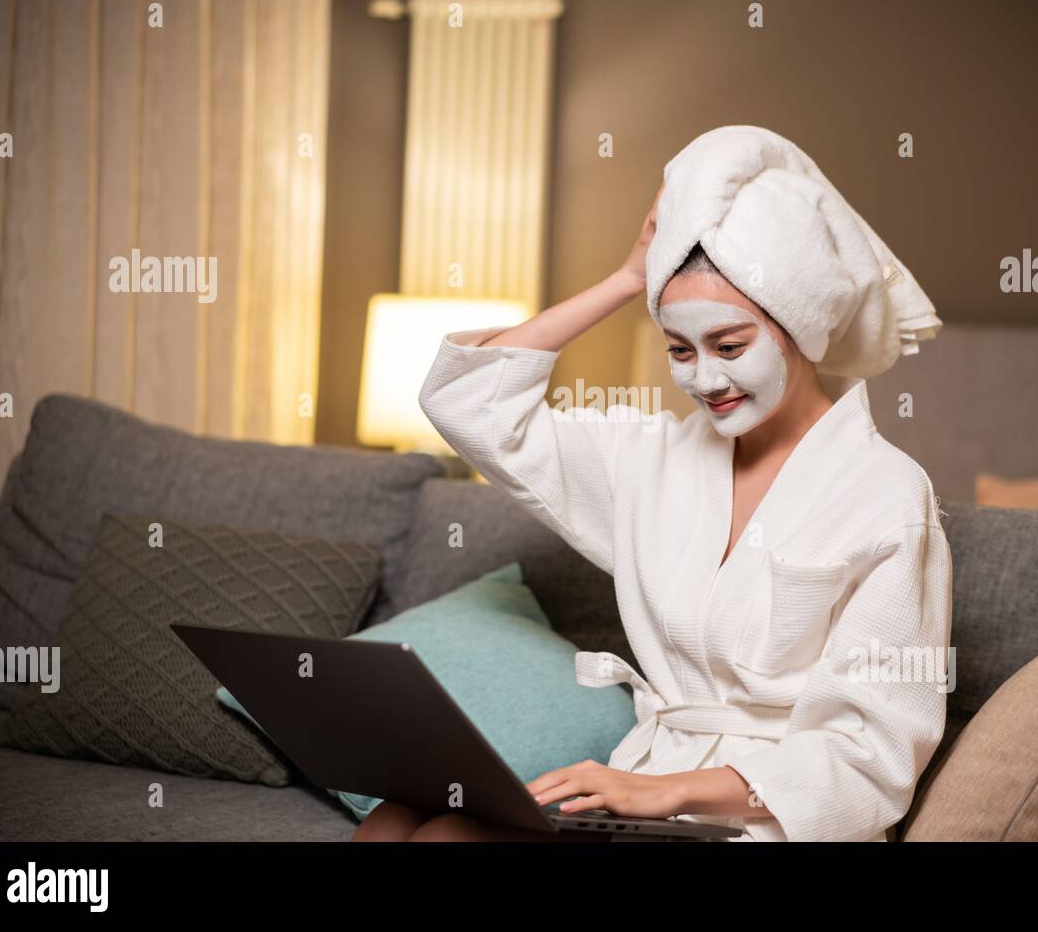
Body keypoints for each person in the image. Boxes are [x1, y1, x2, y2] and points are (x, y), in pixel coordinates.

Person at [353, 126, 952, 842]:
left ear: (801, 327)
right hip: (643, 797)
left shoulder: (887, 496)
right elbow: (468, 400)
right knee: (396, 819)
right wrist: (629, 278)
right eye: (679, 349)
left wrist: (665, 792)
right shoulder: (650, 460)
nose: (705, 378)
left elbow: (868, 761)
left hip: (772, 822)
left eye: (730, 345)